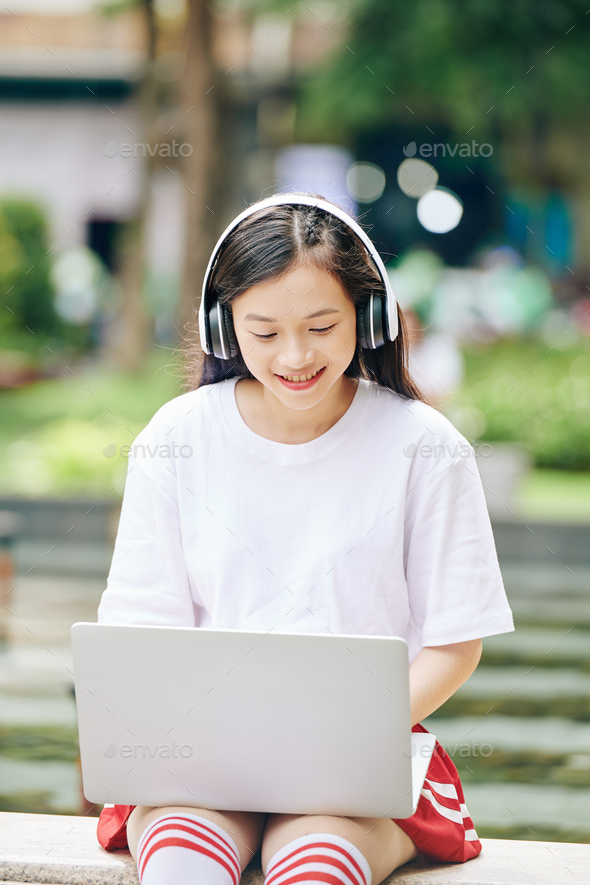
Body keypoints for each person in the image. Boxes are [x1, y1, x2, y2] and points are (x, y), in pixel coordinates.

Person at [95, 192, 514, 885]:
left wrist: (340, 735)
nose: (295, 355)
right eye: (264, 332)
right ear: (223, 328)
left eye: (322, 325)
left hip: (360, 756)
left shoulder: (424, 447)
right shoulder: (175, 439)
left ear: (370, 316)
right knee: (181, 861)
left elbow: (453, 643)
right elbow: (141, 634)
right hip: (200, 761)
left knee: (313, 863)